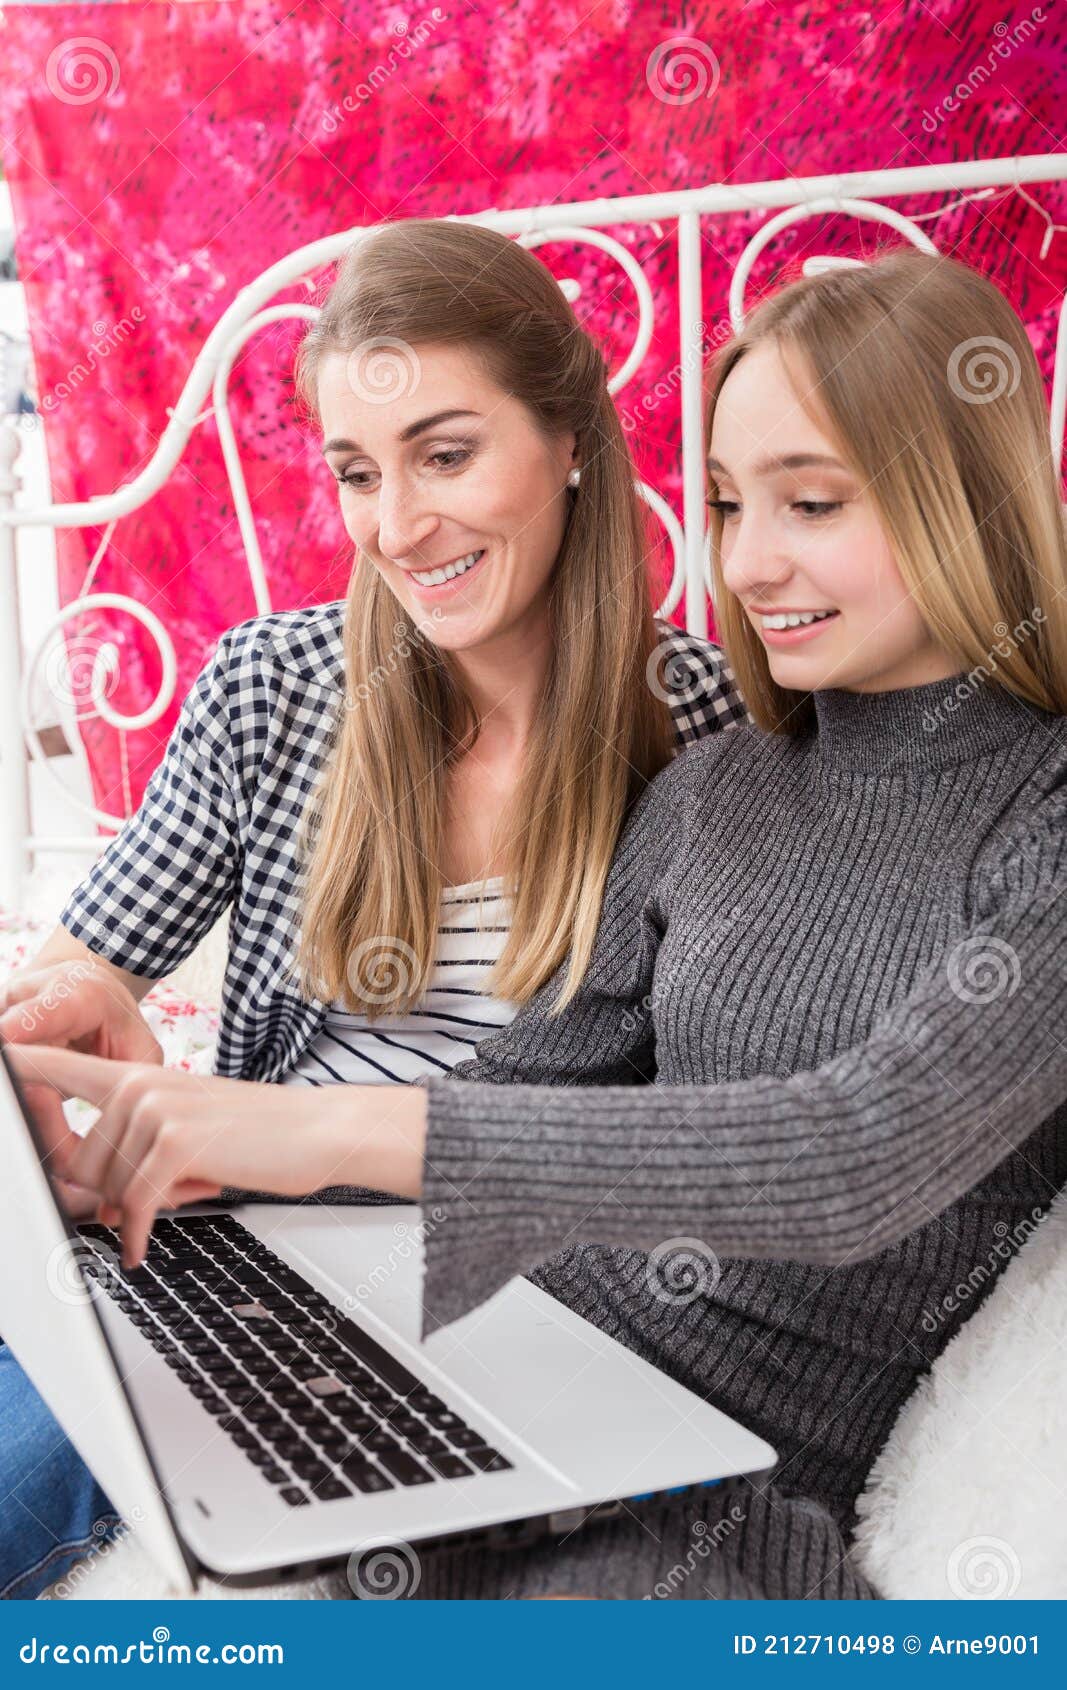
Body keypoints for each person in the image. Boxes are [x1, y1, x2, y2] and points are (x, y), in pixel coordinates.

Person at [0, 218, 747, 1600]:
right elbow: (85, 961)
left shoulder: (695, 726)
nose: (397, 527)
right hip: (229, 1244)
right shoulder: (272, 688)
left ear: (570, 436)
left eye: (446, 454)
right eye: (357, 471)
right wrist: (79, 1003)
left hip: (500, 1291)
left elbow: (703, 1125)